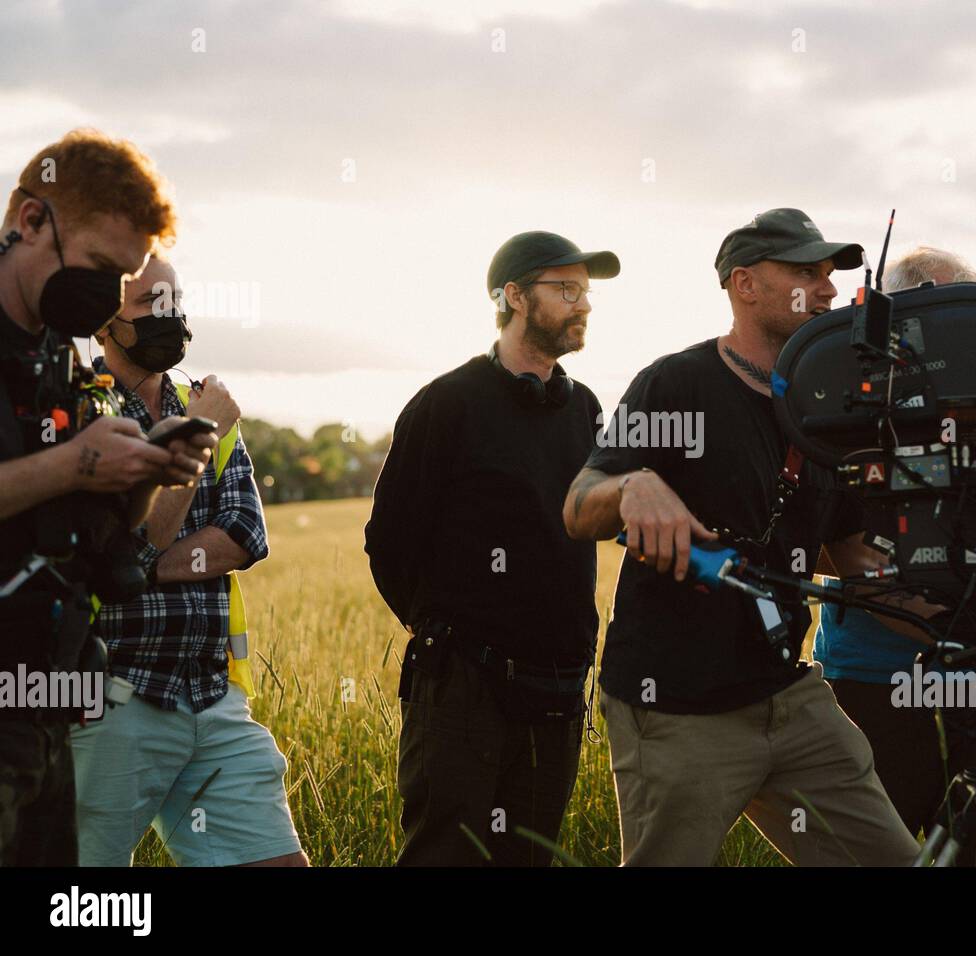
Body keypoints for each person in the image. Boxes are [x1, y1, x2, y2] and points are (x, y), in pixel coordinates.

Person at [564, 208, 935, 867]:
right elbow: (578, 506)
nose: (825, 289)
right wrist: (631, 486)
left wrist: (970, 615)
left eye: (828, 275)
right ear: (745, 284)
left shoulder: (826, 410)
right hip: (676, 707)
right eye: (803, 272)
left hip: (791, 697)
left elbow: (850, 553)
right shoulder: (677, 384)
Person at [366, 230, 619, 866]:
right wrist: (448, 634)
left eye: (584, 292)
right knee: (444, 856)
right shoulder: (446, 404)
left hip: (559, 685)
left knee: (529, 857)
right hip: (463, 687)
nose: (581, 303)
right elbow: (389, 543)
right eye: (564, 289)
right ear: (512, 296)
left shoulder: (584, 406)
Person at [0, 129, 216, 866]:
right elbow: (66, 474)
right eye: (96, 267)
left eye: (120, 282)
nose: (103, 299)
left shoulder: (59, 357)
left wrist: (150, 470)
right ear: (30, 220)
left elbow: (107, 539)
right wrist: (72, 467)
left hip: (45, 703)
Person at [68, 255, 307, 867]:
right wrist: (200, 433)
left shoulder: (204, 402)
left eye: (176, 300)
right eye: (150, 303)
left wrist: (137, 569)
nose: (169, 315)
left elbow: (244, 536)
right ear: (103, 323)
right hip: (113, 698)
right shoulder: (83, 411)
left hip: (212, 695)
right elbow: (136, 537)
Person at [815, 244, 976, 857]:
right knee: (881, 848)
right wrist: (963, 629)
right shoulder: (848, 407)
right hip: (874, 679)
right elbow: (850, 559)